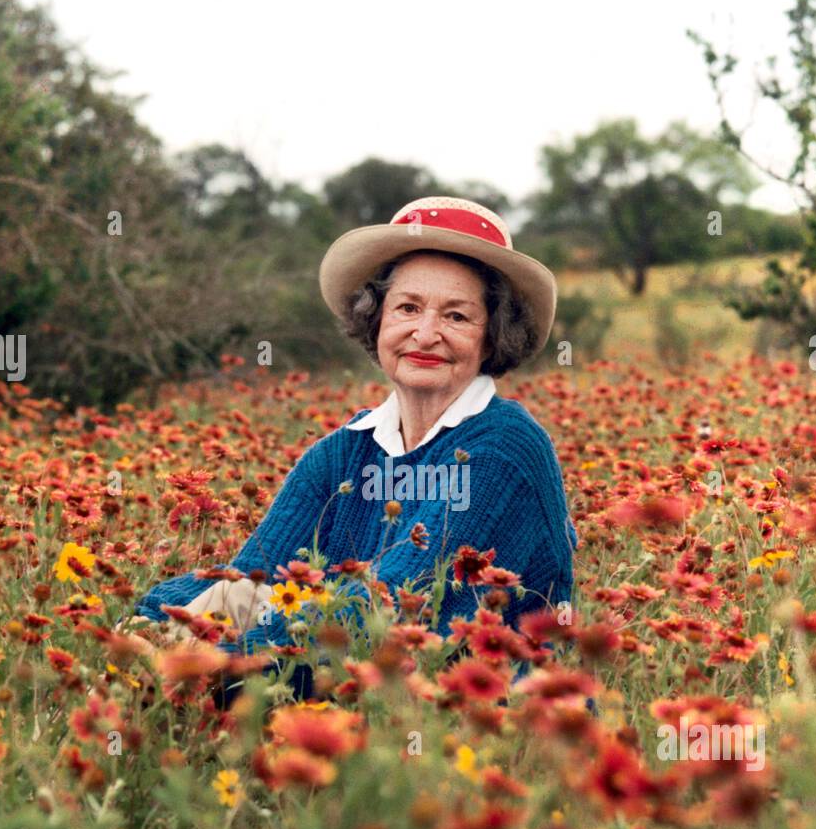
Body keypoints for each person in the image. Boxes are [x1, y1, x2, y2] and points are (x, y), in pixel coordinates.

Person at [130, 195, 578, 652]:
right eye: (407, 308)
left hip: (481, 709)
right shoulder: (343, 453)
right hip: (336, 685)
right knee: (228, 599)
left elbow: (396, 608)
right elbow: (252, 574)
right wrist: (146, 623)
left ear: (492, 336)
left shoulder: (503, 448)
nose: (425, 334)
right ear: (376, 317)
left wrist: (223, 660)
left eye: (456, 316)